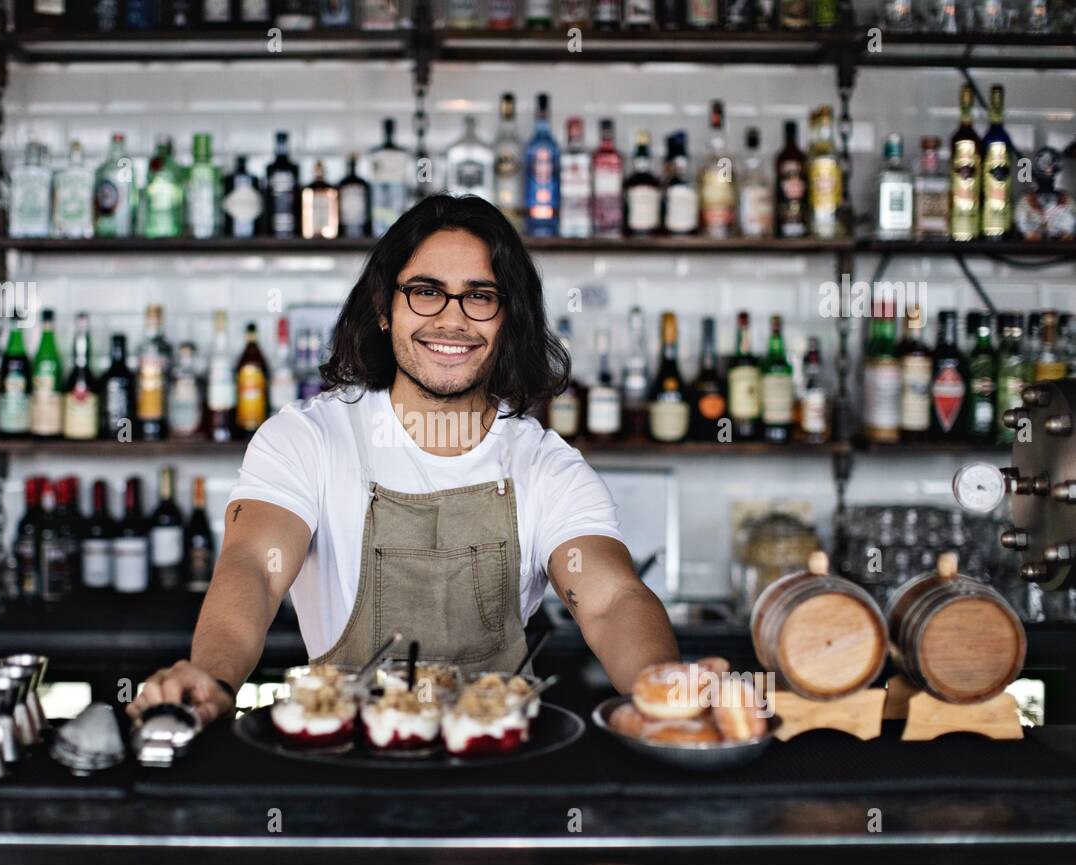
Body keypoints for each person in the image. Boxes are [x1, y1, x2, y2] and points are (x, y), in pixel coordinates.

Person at [129, 194, 678, 724]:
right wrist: (214, 676)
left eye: (480, 296)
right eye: (425, 291)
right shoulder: (308, 439)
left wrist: (664, 683)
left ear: (507, 319)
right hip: (345, 761)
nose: (452, 319)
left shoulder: (545, 465)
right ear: (384, 310)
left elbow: (610, 599)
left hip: (498, 766)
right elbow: (255, 568)